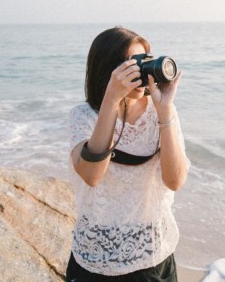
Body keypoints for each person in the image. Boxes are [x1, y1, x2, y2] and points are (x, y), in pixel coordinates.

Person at [66, 27, 189, 282]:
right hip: (95, 259)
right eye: (133, 65)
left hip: (153, 254)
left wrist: (165, 111)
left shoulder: (160, 112)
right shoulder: (83, 115)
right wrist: (111, 100)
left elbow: (175, 181)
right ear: (109, 70)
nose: (142, 73)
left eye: (145, 61)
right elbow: (91, 175)